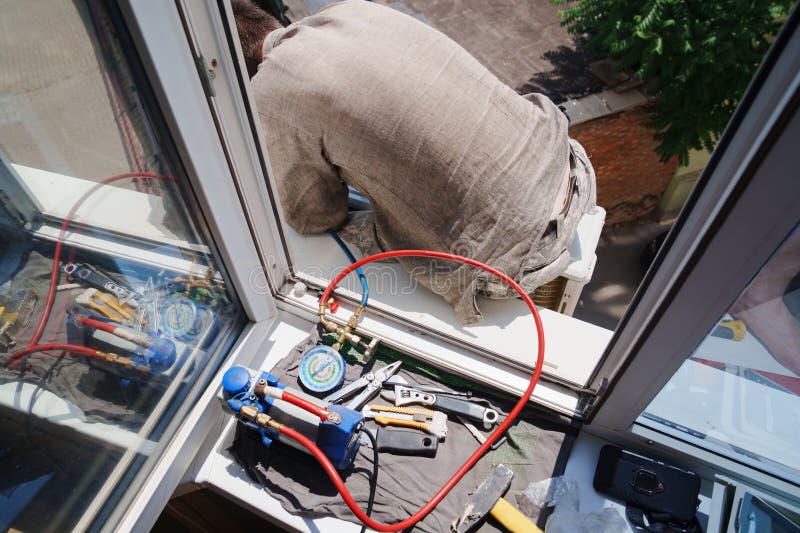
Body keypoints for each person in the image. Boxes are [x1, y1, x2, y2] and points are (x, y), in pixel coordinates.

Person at [232, 0, 598, 324]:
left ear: (241, 74)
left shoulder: (270, 89)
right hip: (570, 166)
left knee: (322, 242)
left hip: (519, 258)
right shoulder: (349, 10)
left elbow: (315, 216)